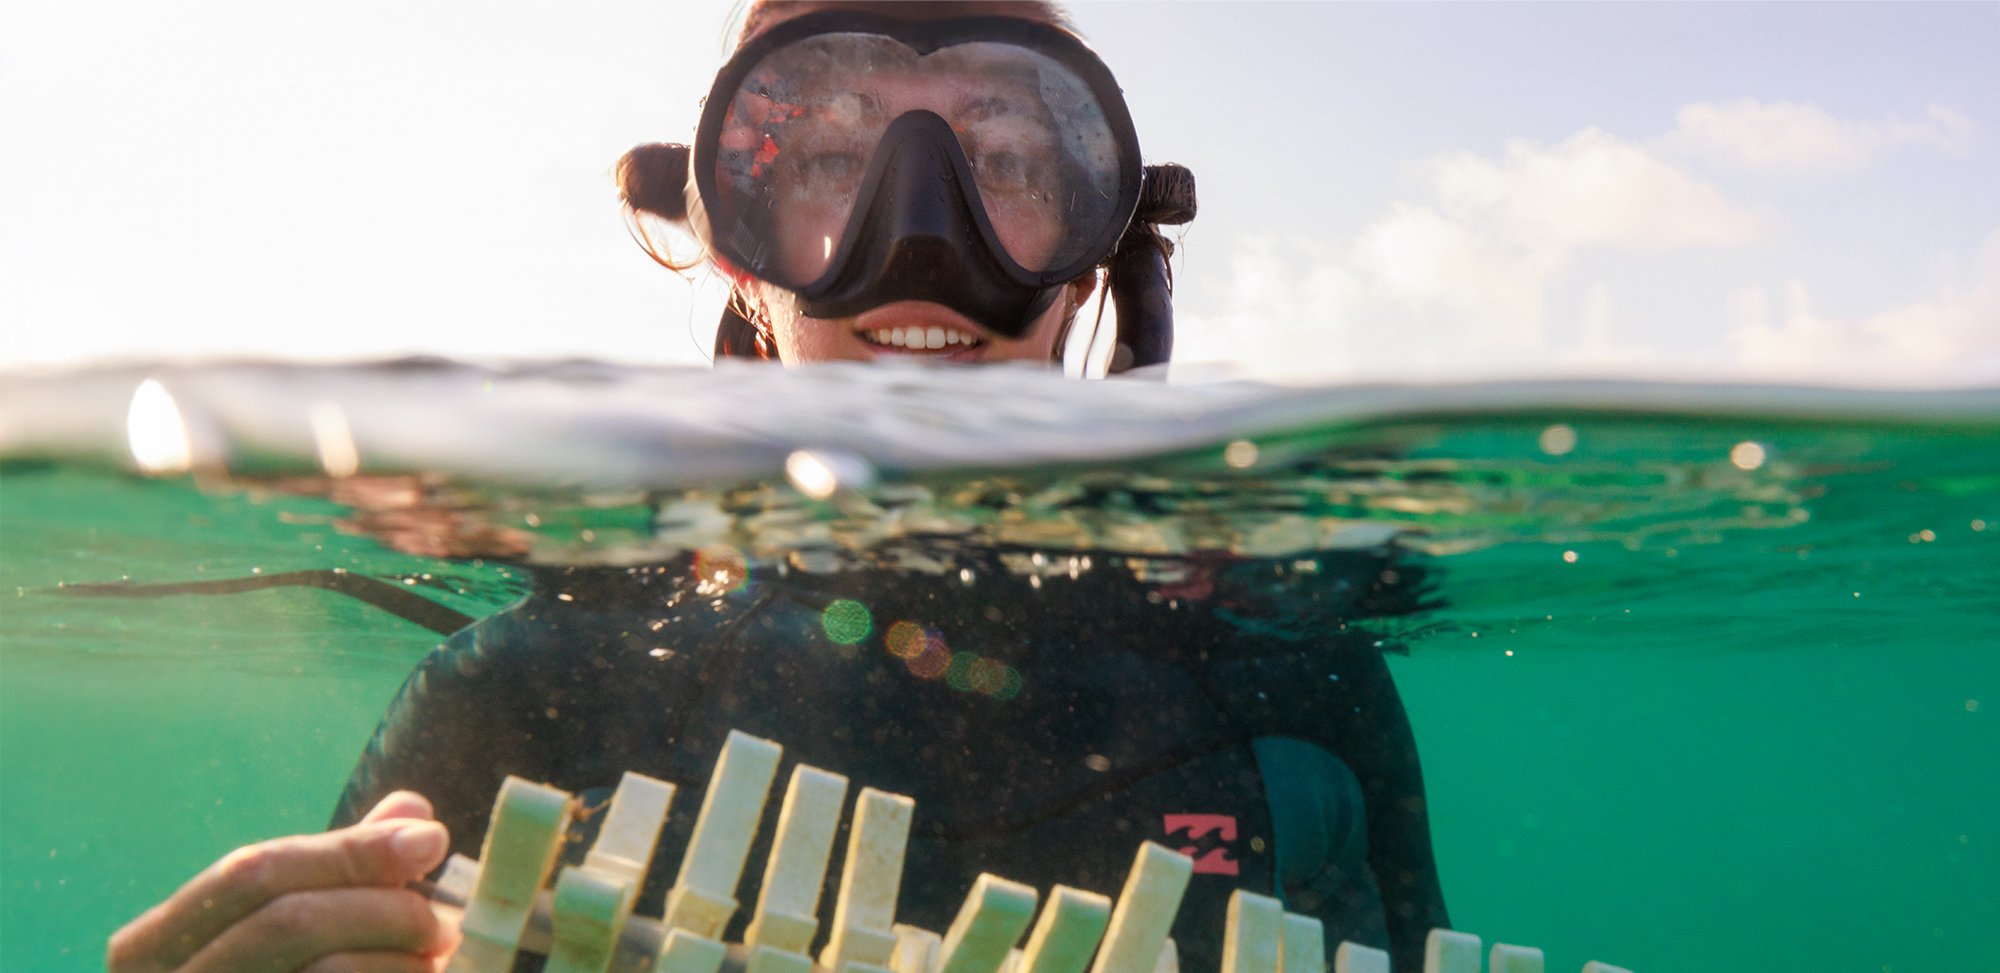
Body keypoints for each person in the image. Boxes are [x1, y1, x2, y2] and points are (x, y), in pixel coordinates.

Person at [107, 4, 1451, 973]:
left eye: (1007, 158)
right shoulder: (531, 687)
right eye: (826, 158)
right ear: (737, 256)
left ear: (1100, 251)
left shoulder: (1297, 684)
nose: (920, 233)